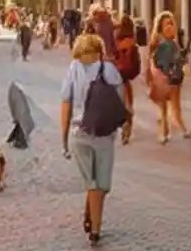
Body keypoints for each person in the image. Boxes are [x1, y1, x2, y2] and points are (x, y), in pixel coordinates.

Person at [60, 33, 126, 246]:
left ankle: (92, 208)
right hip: (100, 134)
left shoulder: (75, 68)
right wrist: (125, 124)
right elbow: (120, 100)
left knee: (97, 186)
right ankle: (95, 229)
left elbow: (65, 103)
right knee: (99, 185)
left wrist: (63, 137)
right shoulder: (108, 70)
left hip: (82, 133)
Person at [147, 11, 188, 143]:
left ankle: (169, 131)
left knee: (171, 106)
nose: (169, 27)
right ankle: (178, 129)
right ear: (160, 28)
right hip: (166, 78)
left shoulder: (173, 43)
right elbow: (160, 62)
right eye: (166, 25)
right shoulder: (163, 44)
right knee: (166, 106)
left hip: (174, 78)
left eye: (171, 24)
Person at [113, 15, 141, 144]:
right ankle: (127, 128)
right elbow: (136, 64)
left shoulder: (116, 41)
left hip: (116, 75)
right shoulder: (132, 43)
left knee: (118, 102)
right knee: (129, 103)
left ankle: (121, 125)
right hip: (126, 77)